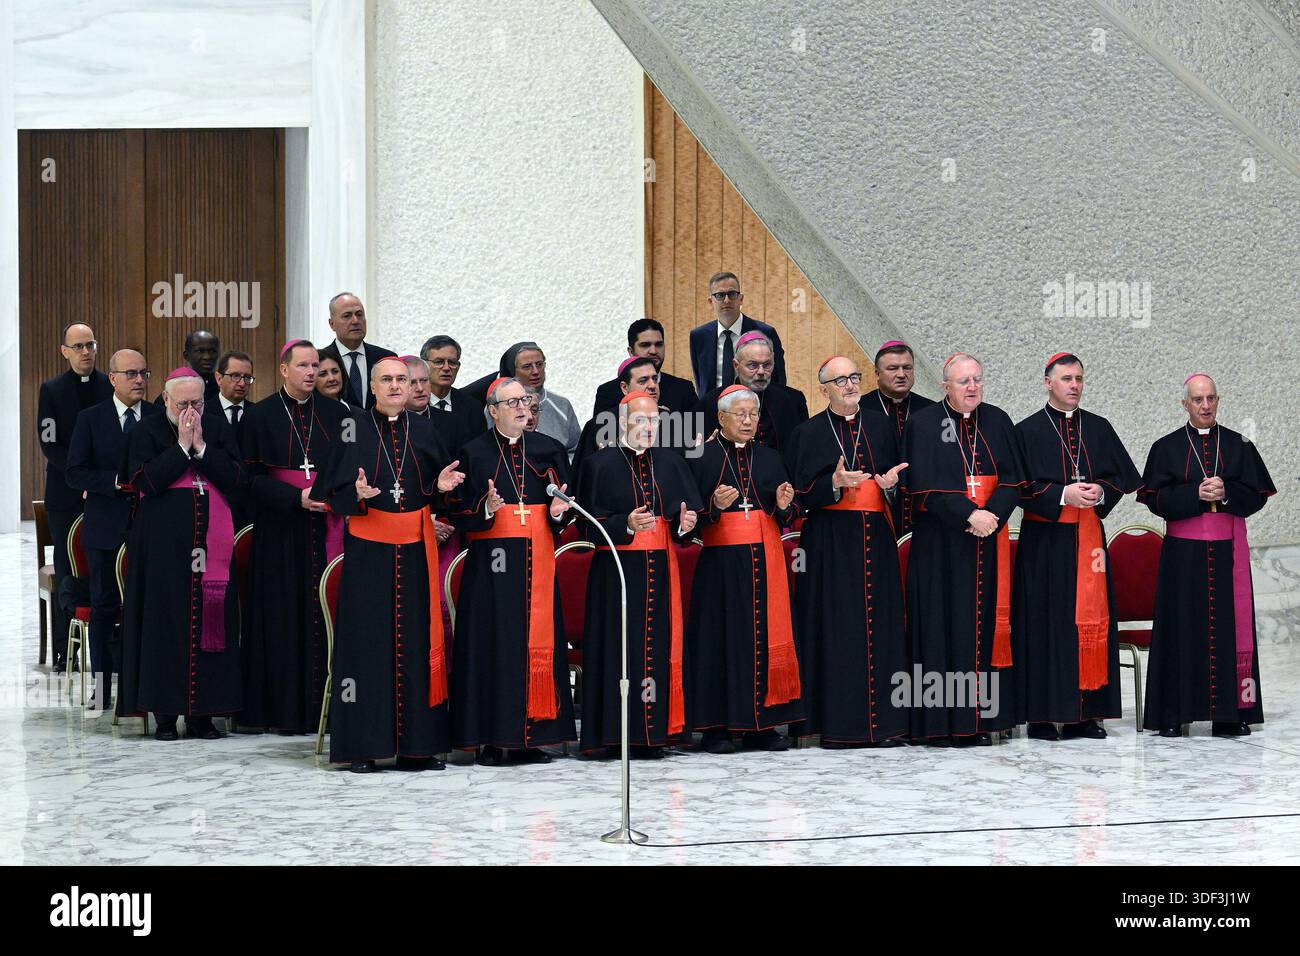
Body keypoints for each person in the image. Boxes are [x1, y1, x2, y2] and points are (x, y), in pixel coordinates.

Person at [309, 357, 465, 772]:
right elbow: (327, 495)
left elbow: (433, 488)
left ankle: (419, 748)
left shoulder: (425, 428)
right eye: (388, 380)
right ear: (373, 387)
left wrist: (440, 488)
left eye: (403, 379)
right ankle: (362, 747)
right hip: (369, 552)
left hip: (415, 551)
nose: (397, 386)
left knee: (417, 642)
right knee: (368, 648)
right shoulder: (352, 427)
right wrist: (354, 492)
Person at [446, 377, 577, 764]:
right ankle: (491, 739)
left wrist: (556, 516)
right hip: (490, 567)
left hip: (538, 561)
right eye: (513, 402)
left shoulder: (549, 450)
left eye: (527, 401)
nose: (523, 408)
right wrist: (486, 508)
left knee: (537, 644)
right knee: (493, 646)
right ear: (493, 411)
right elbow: (458, 510)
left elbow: (562, 503)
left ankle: (533, 738)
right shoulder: (473, 453)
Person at [1138, 373, 1275, 738]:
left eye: (1211, 399)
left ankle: (1230, 713)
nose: (1205, 406)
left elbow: (1258, 495)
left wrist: (1226, 491)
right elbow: (1154, 500)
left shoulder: (1239, 445)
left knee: (1230, 629)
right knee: (1180, 629)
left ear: (1218, 401)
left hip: (1228, 550)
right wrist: (1194, 494)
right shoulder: (1166, 448)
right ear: (1185, 404)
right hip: (1183, 556)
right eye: (1197, 400)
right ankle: (1173, 713)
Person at [1013, 353, 1141, 741]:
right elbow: (1017, 487)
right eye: (1067, 378)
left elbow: (1122, 478)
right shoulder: (1026, 431)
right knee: (1043, 623)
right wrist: (1062, 494)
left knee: (1090, 622)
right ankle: (1041, 715)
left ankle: (1087, 714)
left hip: (1089, 543)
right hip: (1044, 542)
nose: (1075, 385)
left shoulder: (1099, 428)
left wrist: (1101, 490)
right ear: (1047, 382)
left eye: (1080, 378)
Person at [901, 353, 1027, 746]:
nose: (972, 387)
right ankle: (942, 724)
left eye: (977, 379)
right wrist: (969, 515)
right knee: (942, 628)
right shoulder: (923, 423)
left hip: (988, 542)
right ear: (945, 387)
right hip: (941, 544)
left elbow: (1014, 479)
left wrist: (992, 515)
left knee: (987, 626)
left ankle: (988, 720)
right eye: (963, 381)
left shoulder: (999, 420)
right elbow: (923, 485)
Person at [118, 368, 245, 741]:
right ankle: (164, 714)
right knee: (164, 626)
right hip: (161, 551)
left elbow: (237, 481)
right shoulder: (146, 431)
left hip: (213, 547)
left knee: (212, 624)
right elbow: (149, 482)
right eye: (183, 404)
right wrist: (182, 448)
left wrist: (203, 448)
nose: (190, 412)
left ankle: (203, 716)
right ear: (166, 401)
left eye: (197, 404)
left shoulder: (218, 430)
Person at [788, 357, 909, 747]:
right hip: (830, 543)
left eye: (854, 377)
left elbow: (894, 480)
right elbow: (799, 496)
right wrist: (833, 484)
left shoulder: (879, 424)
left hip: (876, 538)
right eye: (840, 380)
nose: (850, 385)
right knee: (835, 626)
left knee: (882, 626)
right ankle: (836, 725)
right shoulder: (807, 432)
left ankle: (886, 725)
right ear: (824, 389)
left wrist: (890, 485)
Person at [577, 391, 702, 758]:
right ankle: (616, 736)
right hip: (616, 574)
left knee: (658, 647)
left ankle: (656, 735)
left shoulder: (671, 461)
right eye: (641, 421)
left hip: (661, 572)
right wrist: (624, 524)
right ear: (622, 422)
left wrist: (685, 523)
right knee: (618, 650)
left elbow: (686, 516)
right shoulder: (598, 465)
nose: (648, 429)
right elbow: (585, 527)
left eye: (654, 422)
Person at [238, 340, 353, 735]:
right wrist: (294, 498)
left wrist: (331, 496)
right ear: (284, 369)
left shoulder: (338, 414)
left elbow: (350, 469)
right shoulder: (260, 416)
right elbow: (248, 479)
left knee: (322, 616)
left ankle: (322, 709)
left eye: (316, 366)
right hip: (280, 530)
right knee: (283, 615)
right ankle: (283, 711)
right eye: (303, 366)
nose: (311, 373)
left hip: (327, 527)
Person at [687, 384, 803, 753]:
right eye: (741, 415)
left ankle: (762, 725)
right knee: (719, 641)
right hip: (720, 565)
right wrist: (712, 506)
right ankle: (717, 729)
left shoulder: (770, 457)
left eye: (753, 415)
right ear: (721, 418)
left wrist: (785, 505)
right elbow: (688, 517)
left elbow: (786, 512)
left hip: (765, 560)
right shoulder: (701, 457)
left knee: (763, 637)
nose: (749, 421)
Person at [66, 349, 160, 709]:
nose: (140, 380)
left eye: (144, 373)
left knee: (148, 608)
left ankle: (146, 688)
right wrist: (115, 481)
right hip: (105, 527)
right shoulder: (91, 419)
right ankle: (102, 688)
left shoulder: (156, 416)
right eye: (132, 373)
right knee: (105, 608)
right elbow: (75, 471)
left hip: (148, 528)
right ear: (113, 378)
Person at [37, 322, 113, 672]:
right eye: (78, 346)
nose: (86, 352)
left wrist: (97, 481)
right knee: (69, 572)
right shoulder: (51, 390)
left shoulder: (108, 385)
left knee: (109, 569)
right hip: (66, 496)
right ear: (64, 351)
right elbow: (50, 442)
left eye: (91, 345)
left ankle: (109, 650)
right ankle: (63, 652)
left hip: (104, 493)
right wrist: (80, 475)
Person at [860, 340, 935, 535]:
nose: (902, 374)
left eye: (907, 367)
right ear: (877, 374)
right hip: (875, 509)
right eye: (893, 368)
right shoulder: (860, 409)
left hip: (922, 510)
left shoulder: (932, 411)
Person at [696, 332, 807, 452]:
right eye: (752, 365)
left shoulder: (793, 400)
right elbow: (690, 451)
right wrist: (702, 451)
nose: (761, 371)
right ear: (736, 365)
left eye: (767, 365)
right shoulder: (711, 401)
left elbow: (804, 451)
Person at [688, 271, 787, 397]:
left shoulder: (766, 333)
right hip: (712, 411)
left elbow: (779, 383)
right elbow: (701, 383)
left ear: (741, 299)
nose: (727, 300)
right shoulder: (698, 336)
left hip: (755, 412)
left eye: (732, 294)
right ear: (710, 301)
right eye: (719, 295)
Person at [592, 318, 697, 416]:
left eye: (659, 344)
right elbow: (601, 434)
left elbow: (696, 433)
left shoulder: (684, 389)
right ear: (631, 351)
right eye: (645, 345)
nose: (653, 351)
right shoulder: (608, 392)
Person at [317, 292, 396, 408]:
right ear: (332, 324)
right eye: (347, 316)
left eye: (359, 314)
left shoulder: (385, 358)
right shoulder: (321, 360)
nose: (355, 321)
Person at [214, 349, 254, 528]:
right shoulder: (202, 413)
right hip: (216, 499)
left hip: (250, 502)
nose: (242, 383)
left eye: (247, 377)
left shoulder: (259, 414)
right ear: (218, 378)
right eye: (235, 376)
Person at [421, 334, 487, 438]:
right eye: (439, 362)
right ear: (424, 365)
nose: (446, 368)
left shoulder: (473, 407)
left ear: (458, 366)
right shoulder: (413, 404)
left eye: (452, 362)